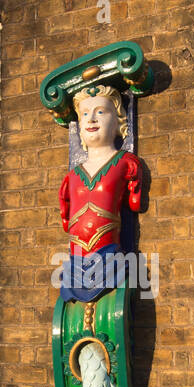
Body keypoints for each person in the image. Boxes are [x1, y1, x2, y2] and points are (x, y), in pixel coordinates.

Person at [58, 85, 142, 303]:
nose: (91, 119)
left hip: (110, 257)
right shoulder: (73, 176)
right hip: (76, 263)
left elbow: (134, 203)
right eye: (85, 114)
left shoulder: (125, 162)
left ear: (118, 121)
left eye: (100, 112)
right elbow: (67, 222)